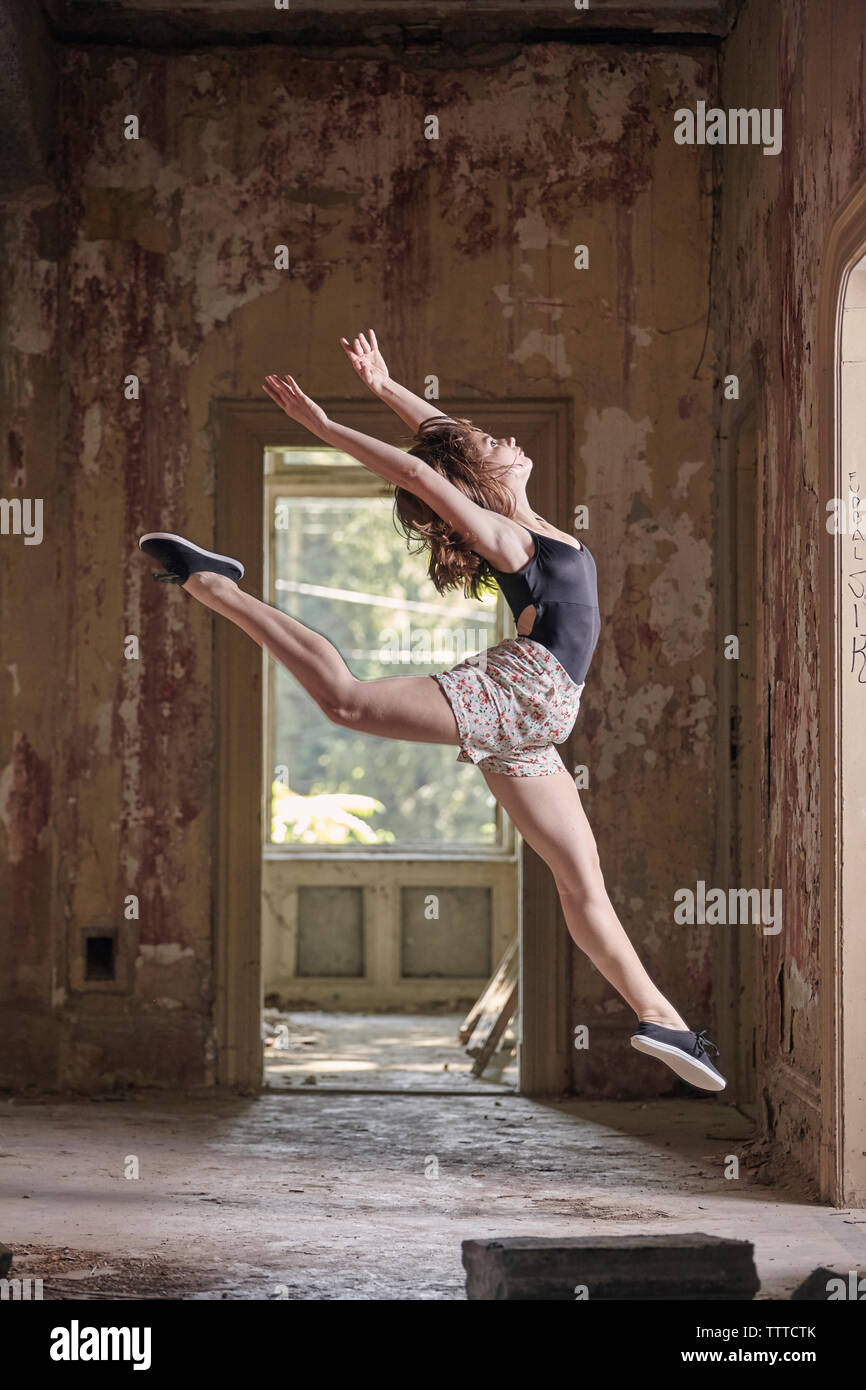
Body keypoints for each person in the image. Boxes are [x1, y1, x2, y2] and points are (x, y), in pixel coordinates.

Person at [139, 329, 725, 1093]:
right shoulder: (508, 538)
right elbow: (423, 466)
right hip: (526, 692)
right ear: (481, 480)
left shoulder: (530, 523)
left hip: (542, 717)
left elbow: (440, 443)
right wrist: (322, 427)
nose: (506, 439)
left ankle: (664, 1022)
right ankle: (216, 587)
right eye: (492, 442)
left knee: (582, 882)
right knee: (346, 702)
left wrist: (387, 386)